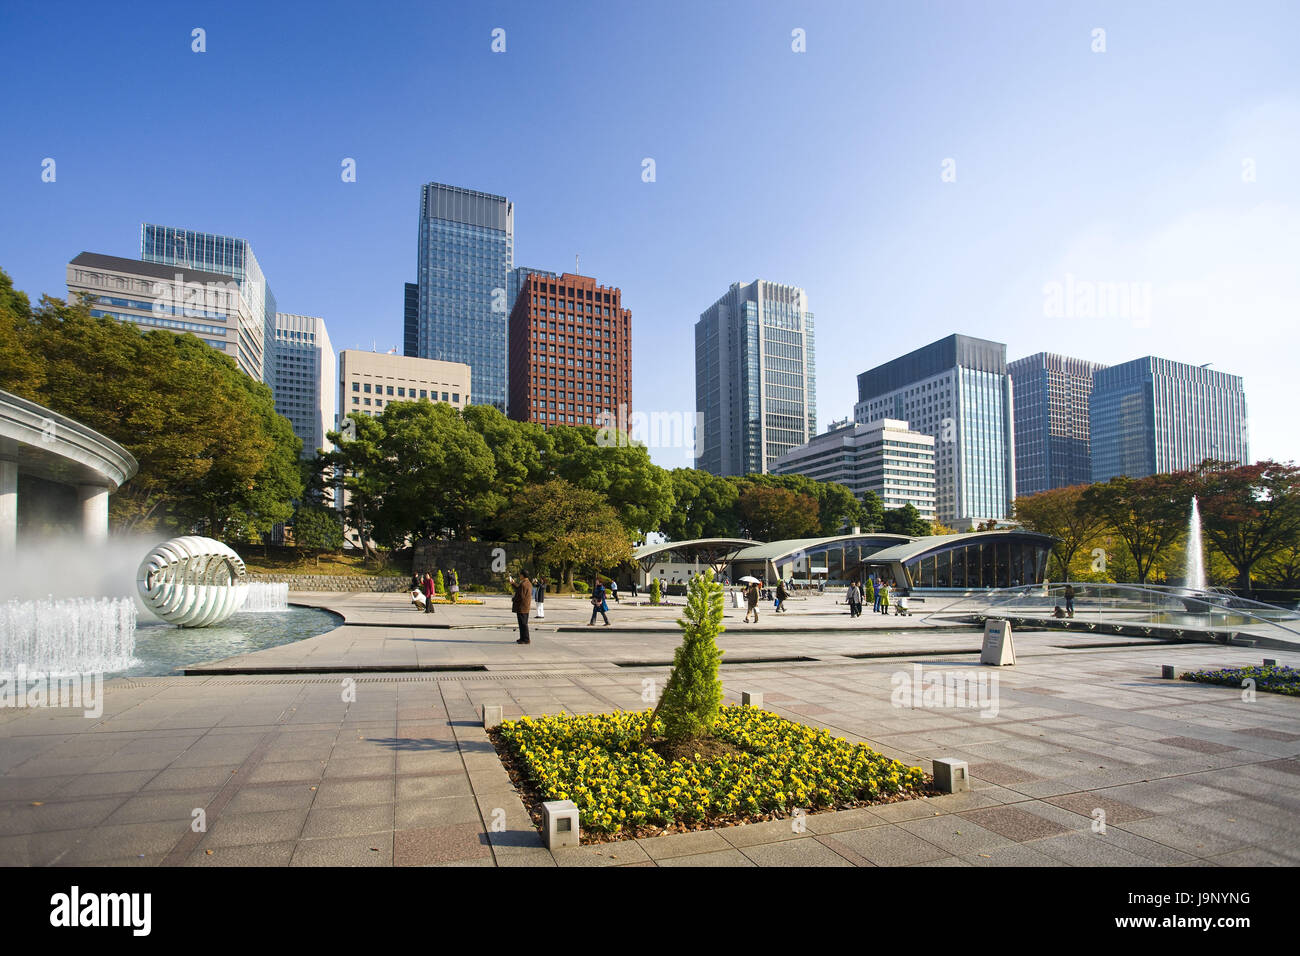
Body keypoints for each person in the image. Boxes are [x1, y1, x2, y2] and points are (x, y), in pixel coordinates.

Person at [510, 572, 532, 643]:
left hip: (522, 607)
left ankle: (526, 639)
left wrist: (514, 599)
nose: (519, 576)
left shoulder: (523, 584)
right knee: (522, 623)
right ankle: (522, 638)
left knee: (523, 624)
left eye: (520, 574)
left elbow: (521, 596)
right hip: (525, 606)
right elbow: (519, 590)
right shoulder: (527, 583)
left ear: (523, 575)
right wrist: (513, 584)